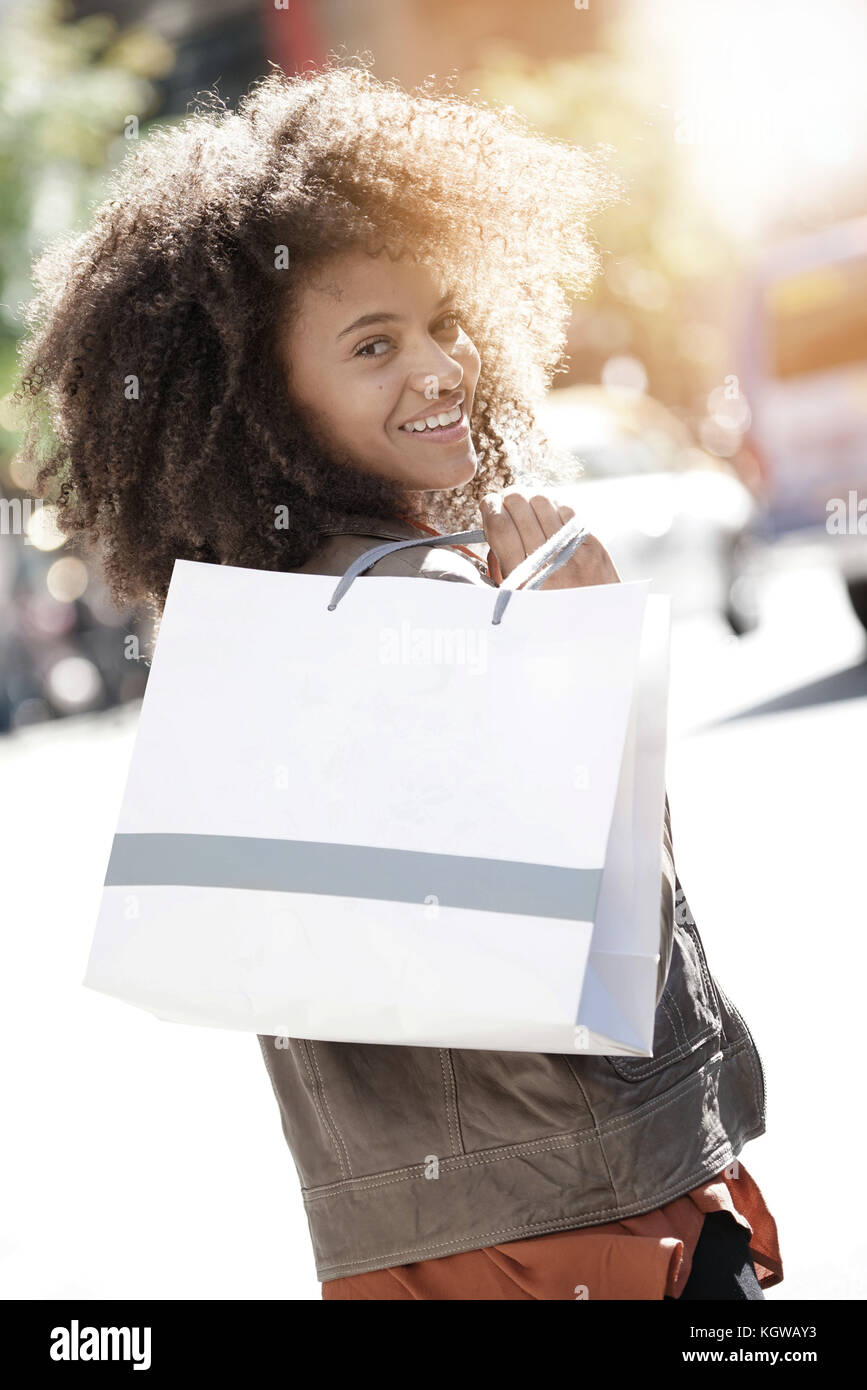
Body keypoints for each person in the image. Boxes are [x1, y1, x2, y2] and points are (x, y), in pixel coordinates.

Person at [14, 59, 782, 1300]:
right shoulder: (425, 609)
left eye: (444, 321)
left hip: (399, 1250)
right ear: (259, 397)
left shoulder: (266, 629)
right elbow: (596, 927)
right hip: (592, 1228)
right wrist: (589, 666)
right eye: (374, 342)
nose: (439, 368)